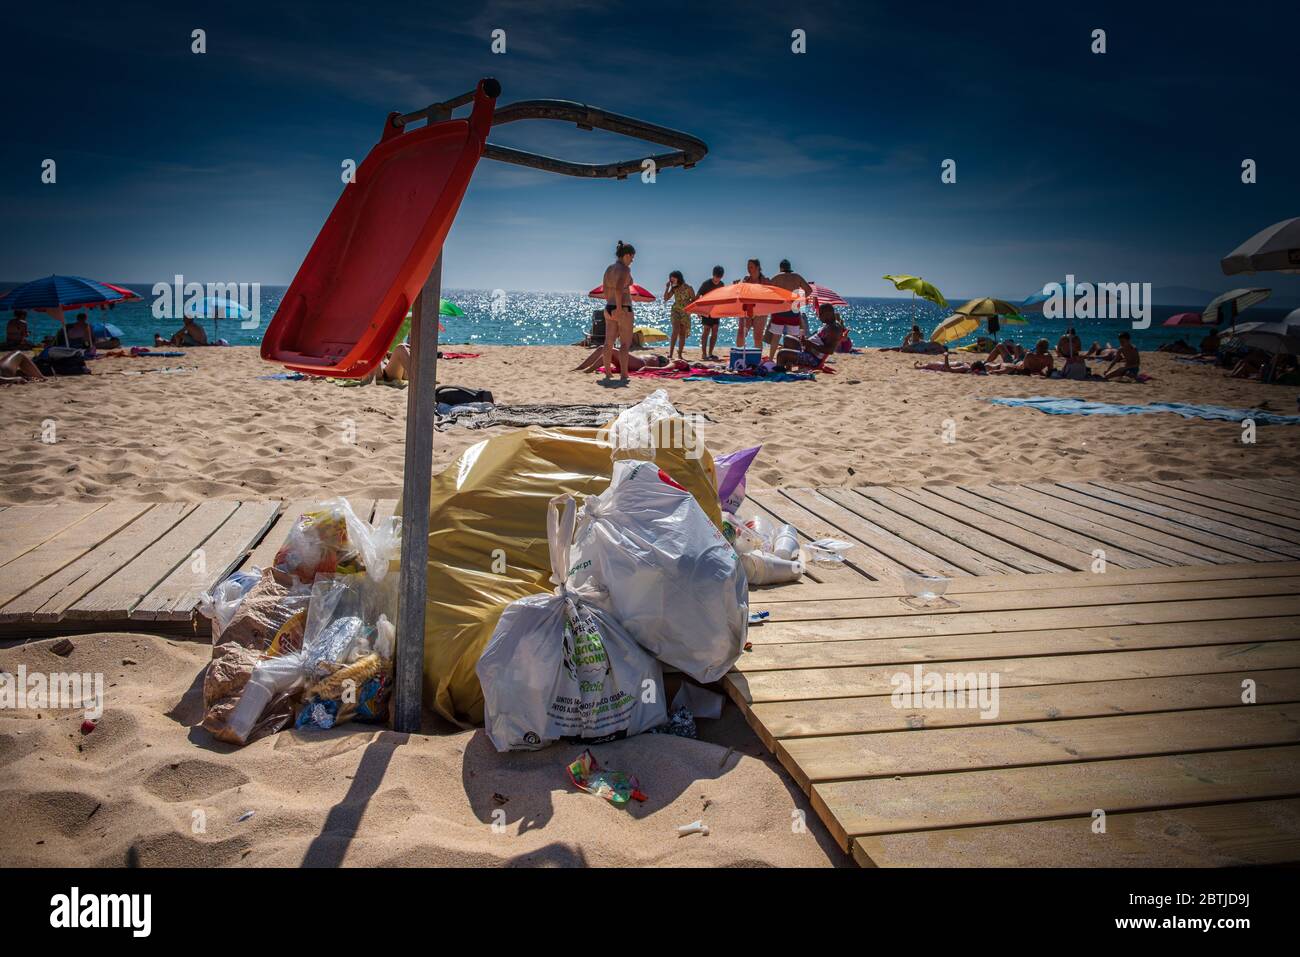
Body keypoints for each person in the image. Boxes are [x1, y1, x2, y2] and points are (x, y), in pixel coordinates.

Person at [601, 240, 636, 383]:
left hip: (608, 307)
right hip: (623, 308)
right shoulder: (625, 269)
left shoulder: (609, 269)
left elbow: (605, 290)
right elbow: (618, 288)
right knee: (625, 344)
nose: (632, 260)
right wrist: (620, 308)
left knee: (608, 342)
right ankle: (624, 374)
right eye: (632, 257)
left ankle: (608, 373)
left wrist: (612, 304)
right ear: (626, 255)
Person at [766, 259, 812, 359]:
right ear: (789, 267)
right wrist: (799, 301)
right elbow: (809, 290)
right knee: (793, 339)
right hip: (793, 309)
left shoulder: (776, 277)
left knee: (776, 337)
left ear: (781, 268)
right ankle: (791, 361)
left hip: (779, 309)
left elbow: (767, 291)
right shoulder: (797, 277)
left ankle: (770, 359)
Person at [774, 303, 843, 369]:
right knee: (787, 338)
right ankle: (788, 366)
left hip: (813, 359)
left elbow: (829, 350)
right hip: (808, 351)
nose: (819, 316)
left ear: (829, 314)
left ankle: (780, 373)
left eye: (821, 314)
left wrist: (810, 343)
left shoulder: (834, 329)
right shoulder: (829, 324)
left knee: (781, 354)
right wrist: (807, 341)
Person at [663, 270, 695, 361]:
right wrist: (667, 287)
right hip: (675, 310)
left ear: (678, 278)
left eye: (673, 278)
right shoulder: (674, 288)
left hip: (685, 312)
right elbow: (666, 298)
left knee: (682, 334)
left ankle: (680, 354)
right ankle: (671, 353)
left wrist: (692, 311)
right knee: (675, 330)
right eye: (670, 278)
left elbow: (693, 300)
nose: (671, 280)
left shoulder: (689, 288)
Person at [736, 258, 769, 349]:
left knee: (758, 336)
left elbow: (770, 296)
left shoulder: (765, 281)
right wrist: (737, 286)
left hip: (761, 311)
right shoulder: (746, 280)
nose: (748, 269)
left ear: (757, 267)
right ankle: (739, 354)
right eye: (748, 267)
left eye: (751, 267)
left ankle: (757, 359)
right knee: (741, 333)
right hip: (747, 309)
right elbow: (740, 293)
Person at [695, 266, 725, 360]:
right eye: (716, 277)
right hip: (706, 310)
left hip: (716, 310)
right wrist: (698, 311)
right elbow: (697, 296)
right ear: (713, 275)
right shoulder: (706, 284)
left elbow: (723, 297)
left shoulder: (721, 284)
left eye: (719, 277)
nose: (717, 279)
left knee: (715, 331)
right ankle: (704, 354)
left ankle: (710, 353)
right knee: (706, 330)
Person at [574, 346, 670, 374]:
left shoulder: (661, 361)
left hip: (639, 363)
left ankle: (588, 370)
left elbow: (665, 367)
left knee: (608, 349)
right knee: (603, 349)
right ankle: (581, 367)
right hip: (633, 361)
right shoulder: (654, 356)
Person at [914, 354, 987, 374]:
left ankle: (917, 366)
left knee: (929, 365)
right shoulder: (968, 367)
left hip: (942, 366)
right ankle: (919, 366)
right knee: (929, 365)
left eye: (975, 363)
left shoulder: (964, 368)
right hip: (943, 365)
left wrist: (946, 357)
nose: (974, 362)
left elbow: (949, 369)